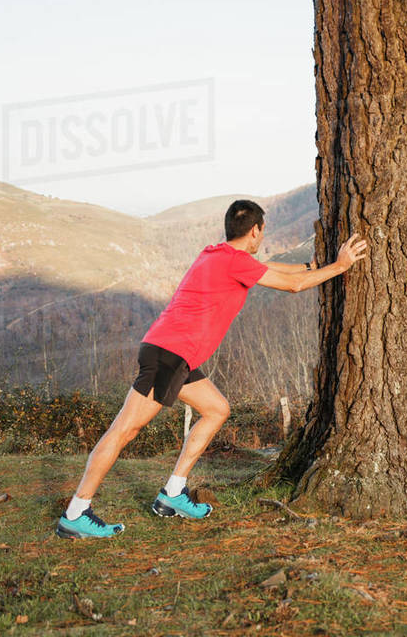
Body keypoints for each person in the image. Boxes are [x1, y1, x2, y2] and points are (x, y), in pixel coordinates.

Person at [57, 200, 367, 538]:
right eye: (262, 232)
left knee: (217, 409)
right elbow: (291, 285)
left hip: (172, 353)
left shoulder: (218, 253)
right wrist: (340, 266)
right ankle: (77, 512)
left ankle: (172, 494)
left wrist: (312, 264)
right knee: (123, 431)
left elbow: (271, 269)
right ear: (255, 231)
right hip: (169, 355)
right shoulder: (235, 261)